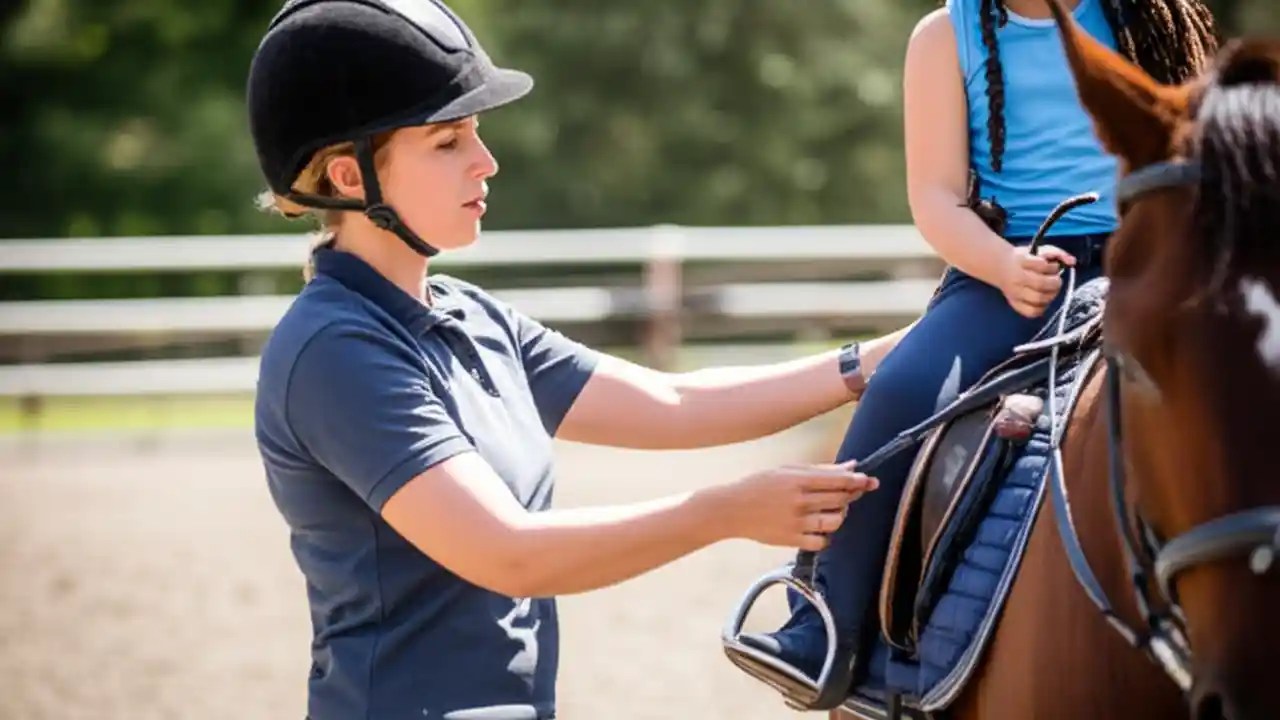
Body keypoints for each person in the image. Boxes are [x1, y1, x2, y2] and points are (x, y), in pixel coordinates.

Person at [245, 2, 910, 718]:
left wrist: (877, 360)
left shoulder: (468, 315)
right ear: (349, 179)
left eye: (476, 134)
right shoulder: (336, 350)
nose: (486, 161)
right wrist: (722, 512)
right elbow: (508, 553)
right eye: (447, 142)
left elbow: (675, 405)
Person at [737, 0, 1221, 702]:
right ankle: (823, 618)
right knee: (903, 390)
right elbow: (935, 198)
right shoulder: (945, 37)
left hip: (1149, 262)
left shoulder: (1154, 22)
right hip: (1004, 271)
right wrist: (1004, 266)